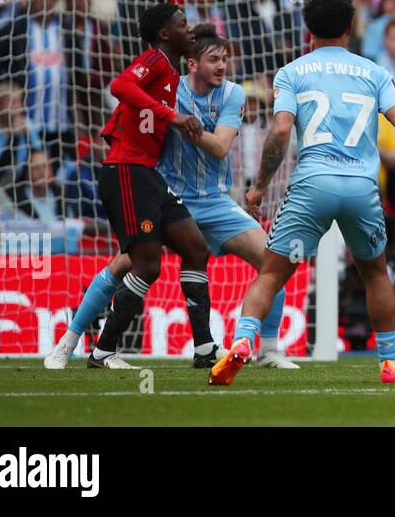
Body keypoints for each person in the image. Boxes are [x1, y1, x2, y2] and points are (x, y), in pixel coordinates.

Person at [209, 0, 395, 387]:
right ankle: (390, 363)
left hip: (312, 186)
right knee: (375, 273)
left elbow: (282, 130)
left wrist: (260, 187)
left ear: (308, 30)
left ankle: (242, 343)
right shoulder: (374, 72)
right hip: (361, 187)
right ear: (350, 28)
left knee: (270, 274)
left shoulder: (292, 72)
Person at [45, 25, 299, 370]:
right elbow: (129, 113)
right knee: (124, 264)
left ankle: (268, 350)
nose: (222, 66)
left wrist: (183, 124)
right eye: (213, 59)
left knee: (274, 261)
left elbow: (221, 147)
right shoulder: (168, 92)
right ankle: (66, 343)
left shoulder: (233, 94)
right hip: (167, 195)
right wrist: (173, 119)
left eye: (225, 59)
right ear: (191, 64)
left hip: (215, 200)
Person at [85, 4, 211, 370]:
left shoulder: (170, 66)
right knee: (147, 264)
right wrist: (173, 117)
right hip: (126, 169)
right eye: (182, 25)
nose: (189, 30)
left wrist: (197, 33)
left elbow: (188, 40)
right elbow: (120, 85)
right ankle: (103, 351)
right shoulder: (155, 59)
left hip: (148, 173)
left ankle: (204, 350)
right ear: (164, 34)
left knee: (195, 247)